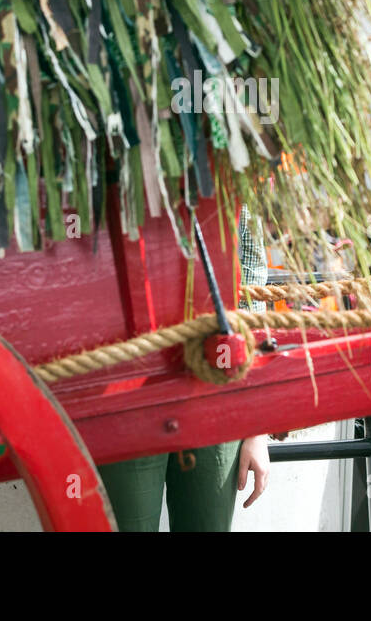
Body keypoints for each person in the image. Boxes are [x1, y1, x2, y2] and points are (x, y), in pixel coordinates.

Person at [96, 207, 270, 530]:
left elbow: (250, 286)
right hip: (124, 391)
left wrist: (257, 427)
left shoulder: (225, 176)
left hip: (215, 392)